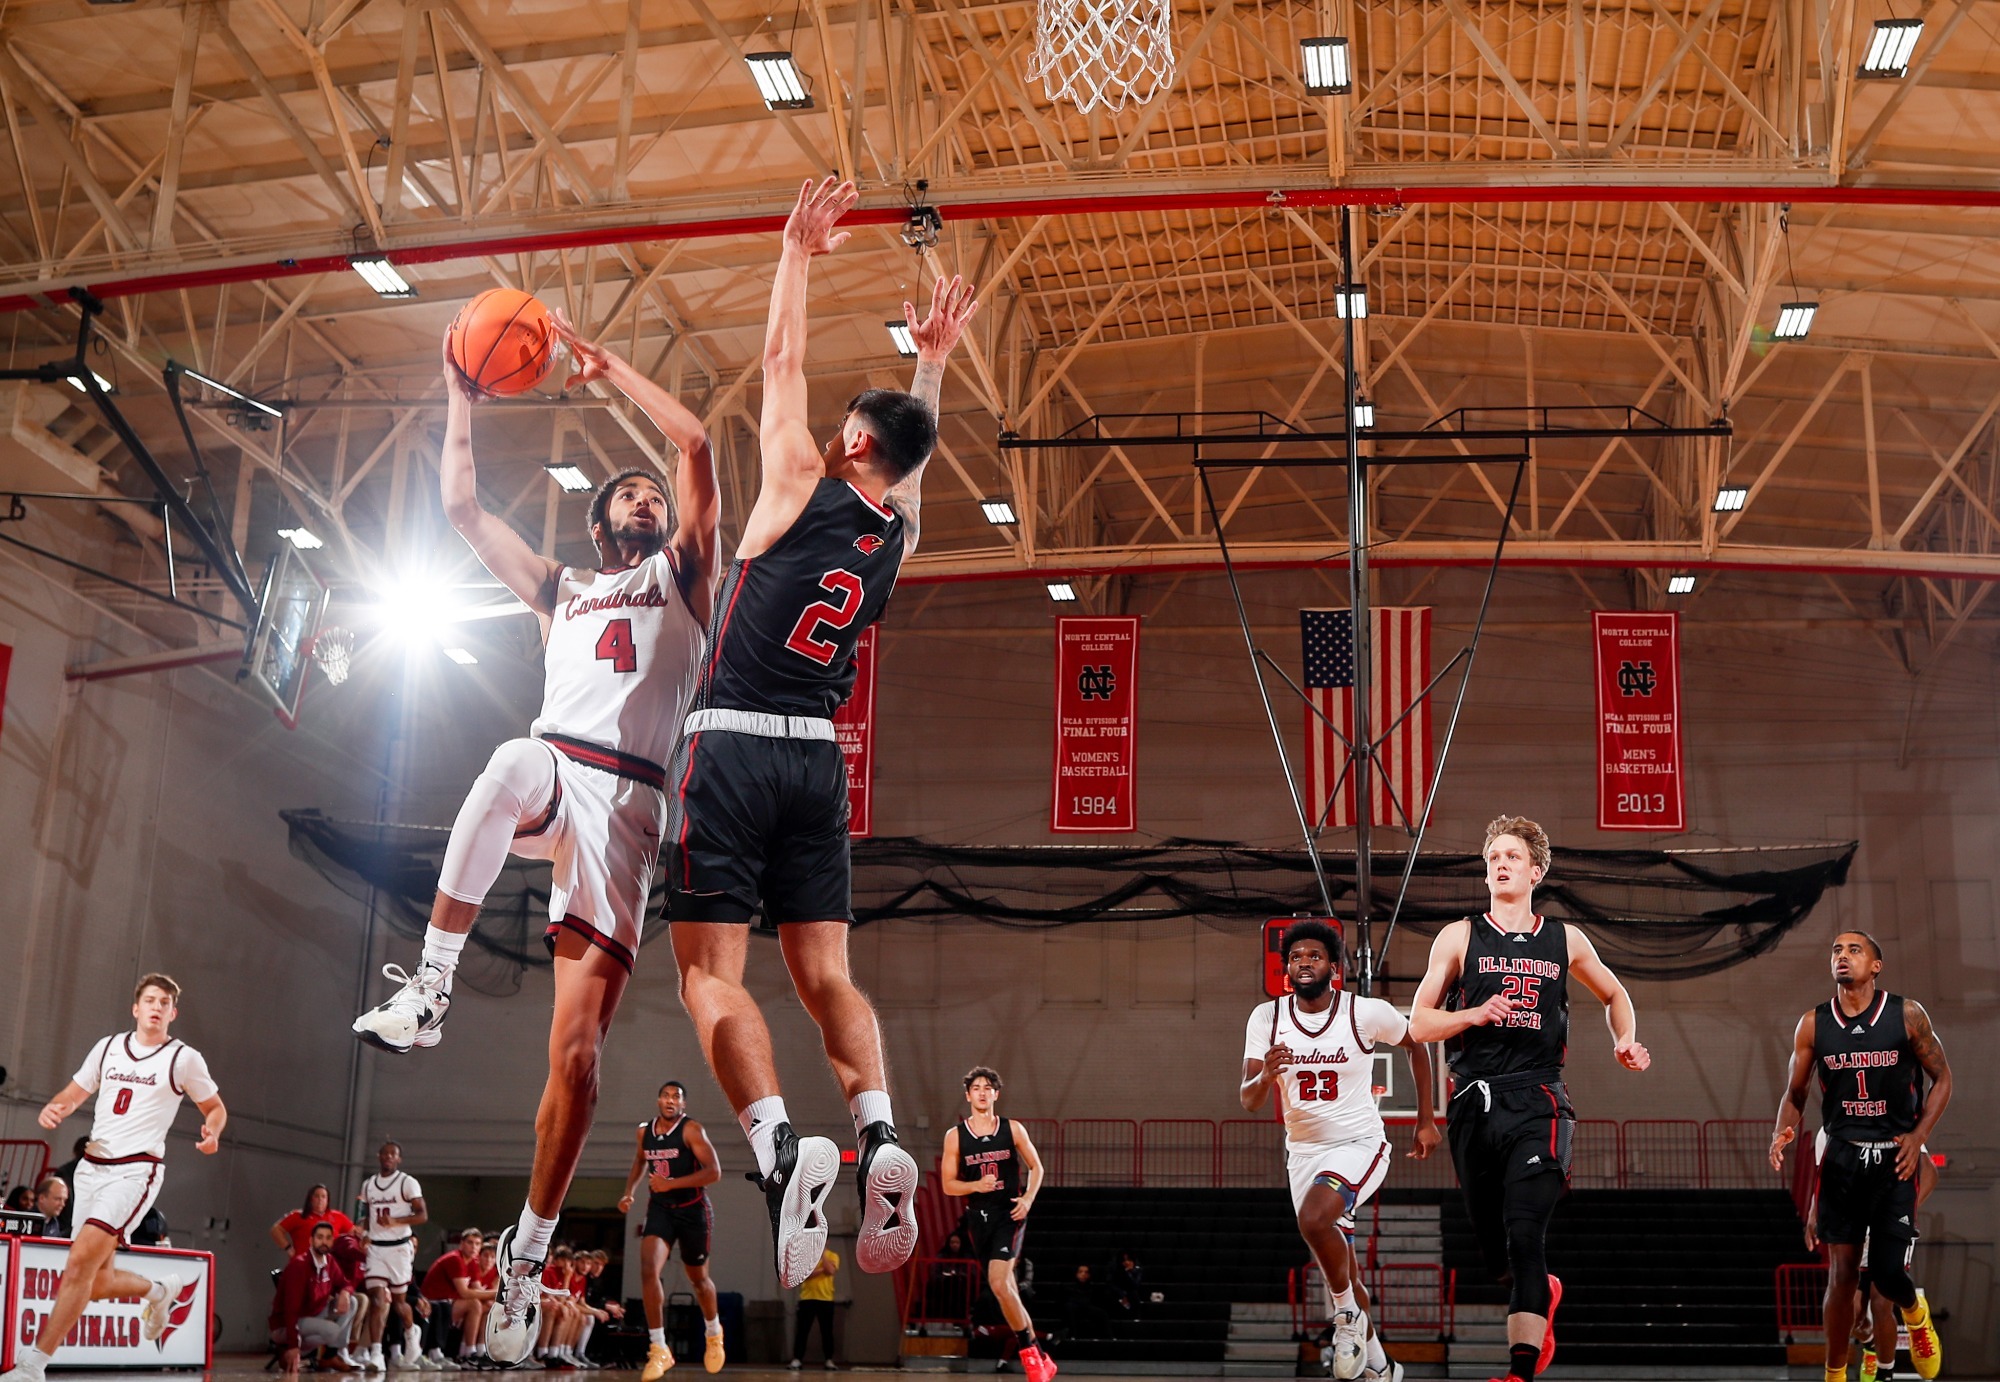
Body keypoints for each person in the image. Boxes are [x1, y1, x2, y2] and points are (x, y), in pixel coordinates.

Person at [352, 318, 719, 1367]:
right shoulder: (560, 586)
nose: (647, 497)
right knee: (511, 757)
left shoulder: (687, 574)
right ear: (600, 523)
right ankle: (429, 987)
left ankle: (527, 1255)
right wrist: (460, 386)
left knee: (579, 1059)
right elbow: (461, 509)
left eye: (651, 494)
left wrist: (612, 377)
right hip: (558, 773)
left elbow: (693, 445)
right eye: (628, 494)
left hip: (628, 811)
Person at [664, 175, 978, 1287]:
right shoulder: (899, 529)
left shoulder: (802, 476)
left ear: (849, 441)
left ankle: (777, 1146)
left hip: (733, 741)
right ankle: (883, 1132)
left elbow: (779, 368)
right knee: (824, 972)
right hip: (817, 757)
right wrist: (929, 362)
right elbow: (915, 448)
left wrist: (796, 252)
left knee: (707, 971)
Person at [1408, 815, 1649, 1382]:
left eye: (1513, 855)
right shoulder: (1459, 935)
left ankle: (1519, 1374)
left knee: (1525, 1233)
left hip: (1538, 1096)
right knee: (1501, 1255)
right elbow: (1418, 1023)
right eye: (1493, 855)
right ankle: (1546, 1292)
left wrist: (1626, 1039)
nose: (1501, 862)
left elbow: (1615, 993)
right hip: (1472, 1102)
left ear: (1535, 871)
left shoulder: (1564, 938)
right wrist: (1473, 1013)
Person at [0, 973, 226, 1382]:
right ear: (136, 1008)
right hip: (91, 1169)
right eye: (150, 1000)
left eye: (165, 1003)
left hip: (136, 1171)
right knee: (96, 1281)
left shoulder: (183, 1058)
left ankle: (33, 1366)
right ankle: (160, 1291)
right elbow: (73, 1092)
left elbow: (215, 1107)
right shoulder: (107, 1048)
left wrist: (213, 1130)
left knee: (78, 1262)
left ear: (173, 1014)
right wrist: (55, 1107)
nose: (156, 1007)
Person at [1242, 919, 1440, 1382]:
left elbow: (1417, 1046)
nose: (1303, 963)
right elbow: (1248, 1100)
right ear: (1286, 969)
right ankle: (1382, 1368)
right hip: (1304, 1153)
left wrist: (1426, 1121)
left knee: (1312, 1220)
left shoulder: (1365, 1012)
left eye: (1313, 956)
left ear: (1333, 966)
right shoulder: (1266, 1018)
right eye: (1294, 957)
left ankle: (1347, 1321)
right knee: (1344, 1274)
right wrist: (1265, 1076)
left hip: (1359, 1144)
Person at [1772, 931, 1950, 1382]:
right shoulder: (1813, 1024)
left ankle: (1915, 1311)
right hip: (1843, 1160)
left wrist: (1919, 1134)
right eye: (1836, 949)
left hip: (1895, 1158)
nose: (1842, 956)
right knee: (1843, 1278)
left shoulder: (1906, 1015)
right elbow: (1795, 1092)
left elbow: (1943, 1079)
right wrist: (1781, 1131)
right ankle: (1836, 1374)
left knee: (1887, 1277)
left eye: (1854, 950)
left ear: (1876, 965)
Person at [939, 1067, 1053, 1382]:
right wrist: (976, 1186)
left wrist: (1028, 1199)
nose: (982, 1092)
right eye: (976, 1087)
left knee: (1000, 1284)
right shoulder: (956, 1136)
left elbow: (1037, 1167)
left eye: (987, 1087)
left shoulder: (1012, 1129)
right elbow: (949, 1185)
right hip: (978, 1218)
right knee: (1008, 1290)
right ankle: (1042, 1358)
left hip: (1009, 1213)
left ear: (996, 1094)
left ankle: (1030, 1353)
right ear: (968, 1095)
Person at [618, 1080, 725, 1377]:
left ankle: (714, 1333)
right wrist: (630, 1191)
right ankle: (659, 1348)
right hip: (661, 1210)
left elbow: (714, 1172)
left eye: (676, 1097)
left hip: (693, 1210)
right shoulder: (644, 1132)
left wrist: (671, 1183)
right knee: (648, 1269)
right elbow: (639, 1162)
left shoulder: (692, 1130)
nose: (670, 1100)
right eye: (665, 1095)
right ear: (658, 1101)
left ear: (683, 1105)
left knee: (699, 1281)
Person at [357, 1142, 431, 1371]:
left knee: (400, 1303)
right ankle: (376, 1353)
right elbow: (367, 1215)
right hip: (377, 1249)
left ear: (398, 1159)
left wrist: (396, 1222)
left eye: (393, 1154)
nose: (388, 1157)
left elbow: (422, 1215)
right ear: (379, 1156)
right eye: (385, 1153)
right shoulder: (369, 1184)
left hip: (399, 1248)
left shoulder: (406, 1182)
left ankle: (411, 1334)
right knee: (378, 1301)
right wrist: (364, 1232)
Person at [274, 1219, 363, 1376]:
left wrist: (344, 1293)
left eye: (328, 1238)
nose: (324, 1242)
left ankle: (330, 1356)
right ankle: (295, 1353)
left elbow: (345, 1283)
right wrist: (293, 1345)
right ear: (311, 1240)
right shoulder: (299, 1265)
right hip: (286, 1324)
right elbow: (291, 1310)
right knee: (332, 1331)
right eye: (320, 1237)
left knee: (354, 1302)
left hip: (312, 1314)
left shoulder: (329, 1261)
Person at [419, 1228, 495, 1368]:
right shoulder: (455, 1259)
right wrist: (496, 1293)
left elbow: (477, 1289)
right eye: (470, 1243)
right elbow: (465, 1292)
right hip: (432, 1304)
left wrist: (498, 1298)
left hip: (449, 1304)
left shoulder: (471, 1262)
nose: (474, 1247)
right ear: (461, 1244)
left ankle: (478, 1352)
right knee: (474, 1304)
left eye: (477, 1244)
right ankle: (467, 1354)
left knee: (487, 1307)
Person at [789, 1247, 839, 1369]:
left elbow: (831, 1271)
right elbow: (804, 1275)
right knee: (802, 1331)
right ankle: (797, 1359)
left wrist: (822, 1255)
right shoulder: (805, 1255)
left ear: (827, 1242)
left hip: (826, 1299)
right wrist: (822, 1270)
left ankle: (828, 1359)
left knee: (826, 1331)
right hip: (807, 1298)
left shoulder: (833, 1255)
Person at [275, 1184, 358, 1257]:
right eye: (316, 1196)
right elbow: (276, 1230)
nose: (320, 1199)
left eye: (323, 1196)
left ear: (327, 1200)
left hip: (330, 1265)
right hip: (303, 1263)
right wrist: (288, 1248)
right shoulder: (298, 1216)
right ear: (311, 1199)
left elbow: (354, 1233)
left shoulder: (337, 1216)